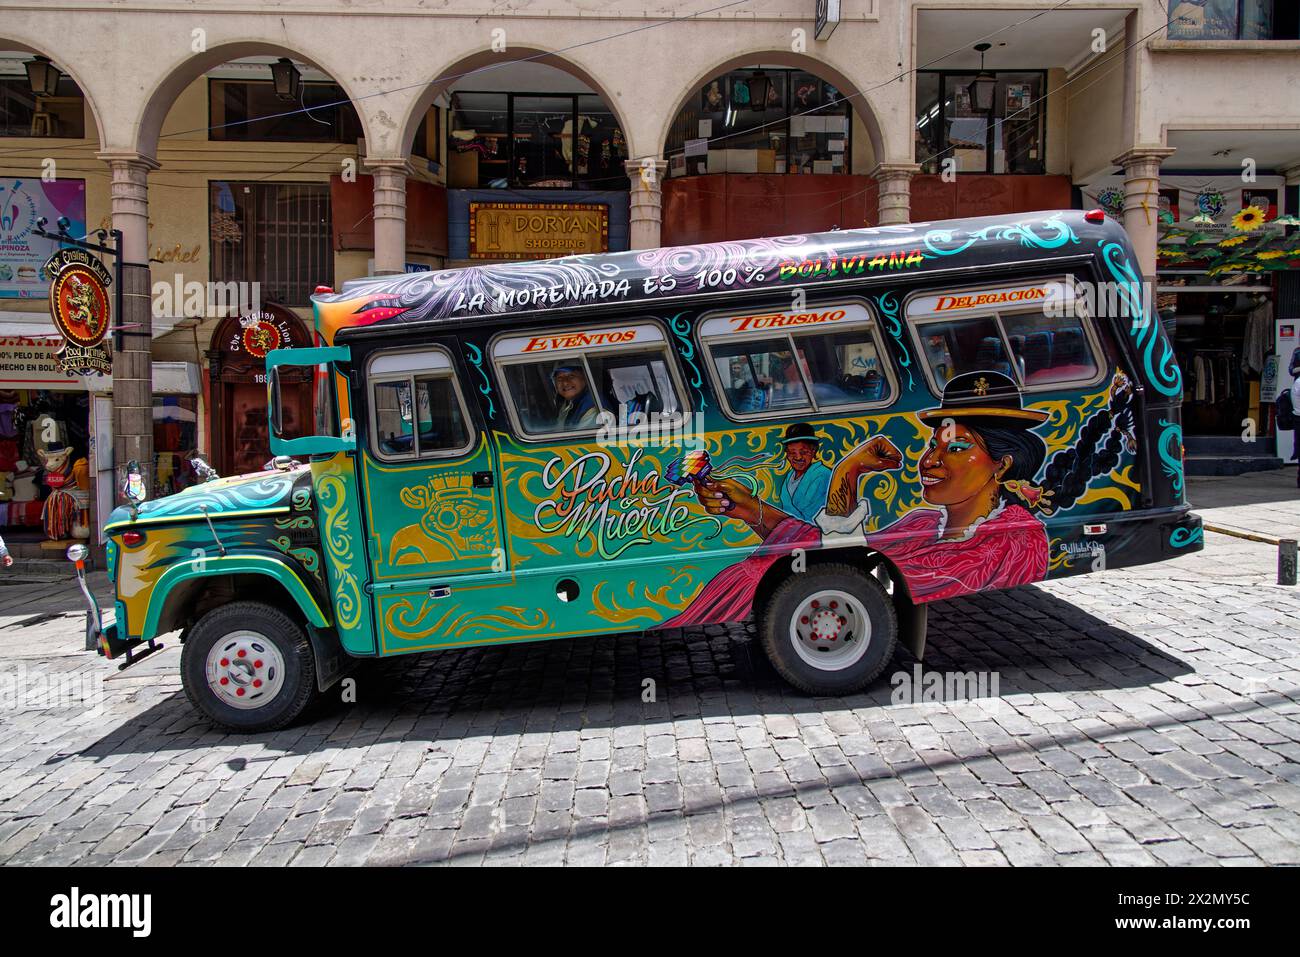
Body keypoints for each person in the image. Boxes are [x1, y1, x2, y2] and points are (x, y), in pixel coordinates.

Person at [671, 370, 1136, 619]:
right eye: (933, 445)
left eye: (955, 447)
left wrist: (845, 475)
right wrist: (753, 511)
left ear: (1003, 462)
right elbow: (840, 550)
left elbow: (918, 574)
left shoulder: (1016, 539)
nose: (930, 460)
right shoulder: (919, 523)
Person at [777, 423, 832, 523]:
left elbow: (815, 517)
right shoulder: (789, 476)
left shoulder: (823, 475)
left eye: (804, 452)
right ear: (787, 454)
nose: (798, 457)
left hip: (814, 534)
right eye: (792, 453)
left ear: (813, 451)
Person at [552, 364, 600, 430]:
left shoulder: (594, 408)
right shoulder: (567, 403)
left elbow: (582, 439)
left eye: (571, 376)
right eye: (560, 379)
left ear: (585, 378)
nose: (565, 383)